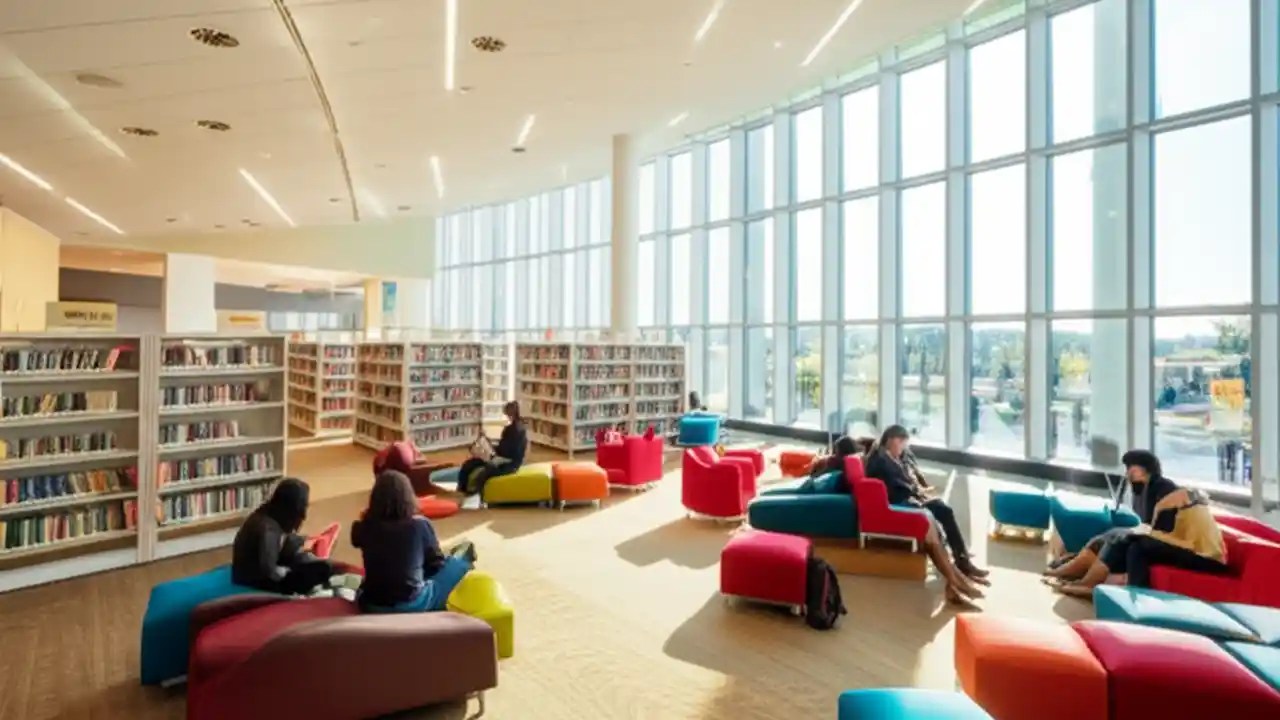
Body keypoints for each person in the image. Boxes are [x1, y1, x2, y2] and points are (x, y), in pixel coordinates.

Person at [1045, 451, 1229, 597]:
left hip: (1202, 554)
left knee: (1131, 544)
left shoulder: (1163, 488)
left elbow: (1160, 528)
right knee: (1116, 536)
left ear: (1147, 470)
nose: (1129, 475)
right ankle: (1075, 575)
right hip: (1180, 543)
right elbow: (1153, 529)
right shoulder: (1145, 491)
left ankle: (1091, 584)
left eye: (1133, 470)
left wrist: (1132, 533)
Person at [864, 425, 989, 584]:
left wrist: (918, 490)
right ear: (891, 440)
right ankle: (959, 564)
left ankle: (961, 558)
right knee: (940, 512)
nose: (903, 448)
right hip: (900, 502)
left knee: (944, 510)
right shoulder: (880, 460)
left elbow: (905, 481)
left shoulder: (893, 457)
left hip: (909, 497)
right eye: (901, 443)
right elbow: (893, 486)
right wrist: (916, 492)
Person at [352, 470, 478, 612]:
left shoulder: (363, 526)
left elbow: (357, 539)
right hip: (411, 604)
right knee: (457, 564)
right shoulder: (419, 525)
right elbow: (436, 565)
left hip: (372, 605)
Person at [231, 478, 335, 595]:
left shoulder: (267, 514)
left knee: (303, 552)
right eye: (302, 509)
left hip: (256, 570)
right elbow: (269, 574)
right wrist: (288, 571)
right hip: (257, 582)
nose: (304, 516)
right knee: (324, 568)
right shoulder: (267, 530)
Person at [457, 400, 528, 499]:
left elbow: (506, 450)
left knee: (482, 471)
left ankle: (473, 494)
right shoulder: (518, 427)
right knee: (471, 464)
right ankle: (464, 491)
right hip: (504, 458)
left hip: (509, 462)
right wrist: (489, 444)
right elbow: (505, 447)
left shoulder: (513, 429)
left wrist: (489, 447)